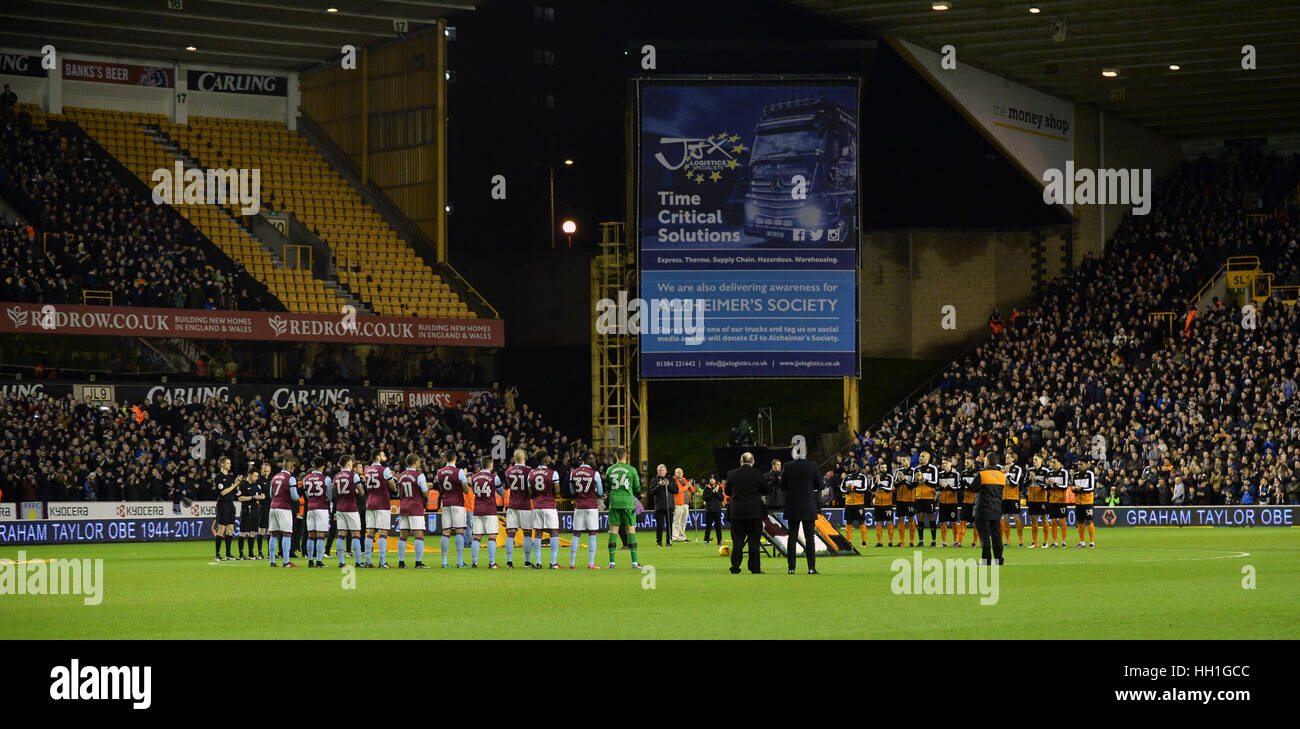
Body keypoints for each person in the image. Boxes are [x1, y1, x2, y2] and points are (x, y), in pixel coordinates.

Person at [777, 449, 823, 575]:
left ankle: (791, 568)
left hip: (792, 504)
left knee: (792, 537)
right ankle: (811, 568)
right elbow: (820, 485)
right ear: (806, 452)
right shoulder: (812, 465)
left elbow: (783, 485)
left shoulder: (787, 466)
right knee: (810, 538)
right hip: (808, 505)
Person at [724, 452, 768, 574]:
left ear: (741, 461)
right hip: (754, 512)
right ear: (753, 462)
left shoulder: (732, 474)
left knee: (737, 541)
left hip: (737, 513)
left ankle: (735, 566)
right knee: (754, 541)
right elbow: (766, 490)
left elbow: (727, 491)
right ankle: (755, 568)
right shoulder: (758, 474)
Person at [604, 446, 642, 569]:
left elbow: (608, 488)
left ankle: (611, 562)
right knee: (631, 530)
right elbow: (637, 488)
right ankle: (635, 563)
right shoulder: (631, 470)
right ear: (626, 456)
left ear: (616, 455)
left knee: (613, 530)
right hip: (627, 503)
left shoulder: (610, 470)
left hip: (614, 502)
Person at [969, 452, 1006, 566]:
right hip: (996, 509)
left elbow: (973, 487)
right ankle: (999, 559)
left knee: (984, 537)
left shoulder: (982, 474)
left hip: (983, 510)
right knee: (996, 536)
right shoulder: (1001, 475)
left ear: (988, 462)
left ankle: (986, 560)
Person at [567, 454, 603, 569]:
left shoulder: (573, 473)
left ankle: (572, 562)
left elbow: (572, 492)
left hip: (579, 506)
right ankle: (591, 563)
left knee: (576, 534)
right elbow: (600, 492)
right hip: (591, 506)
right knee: (592, 533)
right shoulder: (595, 473)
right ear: (589, 461)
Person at [435, 452, 470, 568]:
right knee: (460, 531)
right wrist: (465, 480)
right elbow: (466, 491)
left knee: (446, 532)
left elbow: (441, 487)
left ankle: (444, 562)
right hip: (458, 503)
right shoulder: (459, 471)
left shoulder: (439, 472)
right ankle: (459, 562)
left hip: (445, 503)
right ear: (455, 458)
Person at [396, 454, 430, 568]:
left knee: (403, 535)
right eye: (418, 461)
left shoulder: (400, 475)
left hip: (403, 506)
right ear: (415, 462)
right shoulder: (419, 475)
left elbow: (398, 490)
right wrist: (427, 489)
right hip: (415, 506)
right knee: (419, 534)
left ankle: (401, 562)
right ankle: (418, 562)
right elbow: (425, 493)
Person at [529, 453, 561, 569]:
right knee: (553, 532)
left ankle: (538, 563)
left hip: (537, 506)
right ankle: (553, 563)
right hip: (549, 506)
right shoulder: (553, 473)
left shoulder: (531, 474)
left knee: (538, 533)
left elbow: (530, 493)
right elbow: (557, 492)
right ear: (545, 459)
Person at [469, 456, 502, 568]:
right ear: (491, 465)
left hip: (477, 509)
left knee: (477, 537)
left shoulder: (474, 477)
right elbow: (502, 493)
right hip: (490, 509)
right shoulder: (494, 478)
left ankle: (474, 563)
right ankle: (492, 563)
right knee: (492, 536)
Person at [300, 458, 333, 568]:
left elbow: (306, 494)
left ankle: (310, 561)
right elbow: (330, 495)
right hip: (322, 508)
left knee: (311, 535)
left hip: (310, 508)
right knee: (320, 536)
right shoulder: (326, 479)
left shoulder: (306, 478)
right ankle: (318, 560)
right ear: (323, 466)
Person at [267, 455, 299, 568]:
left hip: (273, 507)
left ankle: (272, 561)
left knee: (274, 534)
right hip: (284, 508)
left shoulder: (274, 477)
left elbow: (271, 495)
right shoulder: (291, 478)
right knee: (287, 534)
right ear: (291, 467)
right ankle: (286, 562)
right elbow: (295, 497)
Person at [503, 450, 533, 568]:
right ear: (524, 458)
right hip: (525, 504)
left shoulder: (509, 470)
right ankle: (527, 562)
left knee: (510, 533)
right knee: (527, 533)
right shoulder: (529, 471)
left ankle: (509, 562)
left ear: (514, 458)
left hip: (513, 504)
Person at [333, 456, 364, 568]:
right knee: (356, 534)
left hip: (340, 508)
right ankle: (358, 562)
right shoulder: (354, 476)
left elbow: (335, 493)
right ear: (349, 464)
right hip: (351, 508)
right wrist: (355, 491)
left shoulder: (336, 476)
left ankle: (341, 562)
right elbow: (361, 493)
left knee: (341, 535)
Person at [213, 456, 241, 561]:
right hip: (222, 504)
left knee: (230, 529)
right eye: (228, 463)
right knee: (221, 529)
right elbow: (223, 492)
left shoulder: (230, 477)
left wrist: (238, 485)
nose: (230, 465)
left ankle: (228, 554)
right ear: (222, 464)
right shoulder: (218, 477)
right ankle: (218, 554)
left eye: (230, 463)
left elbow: (235, 492)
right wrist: (235, 484)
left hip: (230, 504)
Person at [912, 451, 939, 546]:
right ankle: (920, 541)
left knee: (931, 517)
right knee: (920, 518)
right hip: (918, 497)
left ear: (928, 457)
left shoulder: (933, 468)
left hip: (929, 497)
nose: (920, 458)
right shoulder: (916, 469)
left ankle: (933, 540)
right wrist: (916, 481)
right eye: (920, 456)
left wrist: (924, 480)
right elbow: (913, 484)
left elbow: (935, 483)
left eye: (923, 456)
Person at [840, 460, 869, 546]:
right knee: (849, 522)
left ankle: (864, 543)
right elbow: (841, 488)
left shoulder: (863, 477)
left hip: (859, 503)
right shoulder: (847, 477)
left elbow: (865, 489)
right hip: (848, 503)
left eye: (854, 465)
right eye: (851, 465)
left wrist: (854, 488)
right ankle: (848, 542)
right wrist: (847, 491)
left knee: (861, 521)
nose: (851, 466)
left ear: (858, 467)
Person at [1045, 455, 1070, 548]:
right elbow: (1046, 487)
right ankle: (1055, 542)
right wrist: (1047, 485)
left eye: (1054, 462)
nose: (1053, 464)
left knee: (1063, 522)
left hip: (1061, 501)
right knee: (1053, 522)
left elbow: (1065, 486)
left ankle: (1064, 541)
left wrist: (1053, 484)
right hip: (1052, 501)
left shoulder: (1064, 473)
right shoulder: (1049, 473)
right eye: (1052, 462)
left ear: (1060, 463)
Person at [1071, 458, 1097, 548]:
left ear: (1086, 465)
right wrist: (1074, 489)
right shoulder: (1075, 475)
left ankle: (1092, 542)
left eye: (1081, 464)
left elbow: (1092, 488)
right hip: (1078, 502)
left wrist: (1080, 489)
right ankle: (1082, 542)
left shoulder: (1090, 474)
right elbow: (1072, 487)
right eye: (1078, 464)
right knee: (1080, 521)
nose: (1079, 466)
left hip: (1088, 502)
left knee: (1089, 520)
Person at [648, 464, 676, 547]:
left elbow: (676, 490)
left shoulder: (671, 479)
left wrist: (668, 485)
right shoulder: (654, 480)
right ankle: (659, 542)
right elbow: (652, 492)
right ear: (657, 471)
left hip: (669, 506)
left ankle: (669, 541)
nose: (661, 472)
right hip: (659, 507)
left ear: (666, 471)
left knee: (669, 526)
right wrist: (659, 485)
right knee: (659, 526)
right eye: (659, 470)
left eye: (662, 470)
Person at [236, 465, 260, 559]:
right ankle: (241, 554)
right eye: (255, 476)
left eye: (257, 476)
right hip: (246, 510)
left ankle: (251, 553)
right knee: (243, 532)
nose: (256, 478)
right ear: (249, 475)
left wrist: (262, 496)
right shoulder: (243, 485)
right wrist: (253, 497)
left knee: (253, 532)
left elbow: (261, 495)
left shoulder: (256, 486)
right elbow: (240, 498)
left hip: (255, 510)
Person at [1002, 451, 1025, 547]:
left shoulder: (1017, 469)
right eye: (1006, 457)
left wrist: (1007, 474)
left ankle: (1021, 541)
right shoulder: (1002, 468)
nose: (1006, 458)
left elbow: (1015, 483)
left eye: (1008, 457)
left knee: (1016, 517)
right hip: (1004, 497)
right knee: (1006, 518)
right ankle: (1007, 542)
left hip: (1014, 497)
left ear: (1013, 459)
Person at [935, 457, 960, 547]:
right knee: (943, 522)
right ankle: (944, 542)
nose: (944, 465)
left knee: (954, 522)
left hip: (952, 501)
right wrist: (941, 487)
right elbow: (937, 487)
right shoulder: (940, 474)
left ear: (950, 463)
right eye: (943, 463)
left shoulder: (955, 474)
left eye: (946, 463)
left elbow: (958, 488)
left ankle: (955, 541)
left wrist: (948, 486)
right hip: (942, 502)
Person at [870, 461, 895, 547]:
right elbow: (872, 489)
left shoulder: (890, 477)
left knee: (889, 522)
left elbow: (889, 489)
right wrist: (877, 480)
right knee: (878, 522)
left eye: (885, 468)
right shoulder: (874, 478)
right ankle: (880, 542)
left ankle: (890, 542)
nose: (884, 469)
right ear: (879, 469)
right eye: (882, 468)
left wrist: (880, 484)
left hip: (887, 503)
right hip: (877, 504)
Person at [701, 475, 725, 544]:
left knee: (718, 527)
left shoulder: (719, 488)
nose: (712, 480)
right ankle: (706, 540)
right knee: (708, 526)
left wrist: (716, 492)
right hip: (709, 510)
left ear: (715, 480)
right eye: (710, 479)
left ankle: (719, 540)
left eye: (713, 479)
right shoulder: (706, 488)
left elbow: (721, 498)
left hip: (717, 510)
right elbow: (705, 498)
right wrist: (712, 492)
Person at [671, 468, 692, 542]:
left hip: (685, 503)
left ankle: (682, 537)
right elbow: (678, 490)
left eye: (681, 472)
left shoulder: (684, 480)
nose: (679, 474)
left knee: (683, 521)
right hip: (678, 503)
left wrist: (690, 485)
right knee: (677, 521)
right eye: (677, 472)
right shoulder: (673, 480)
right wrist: (687, 486)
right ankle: (675, 537)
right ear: (675, 473)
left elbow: (691, 490)